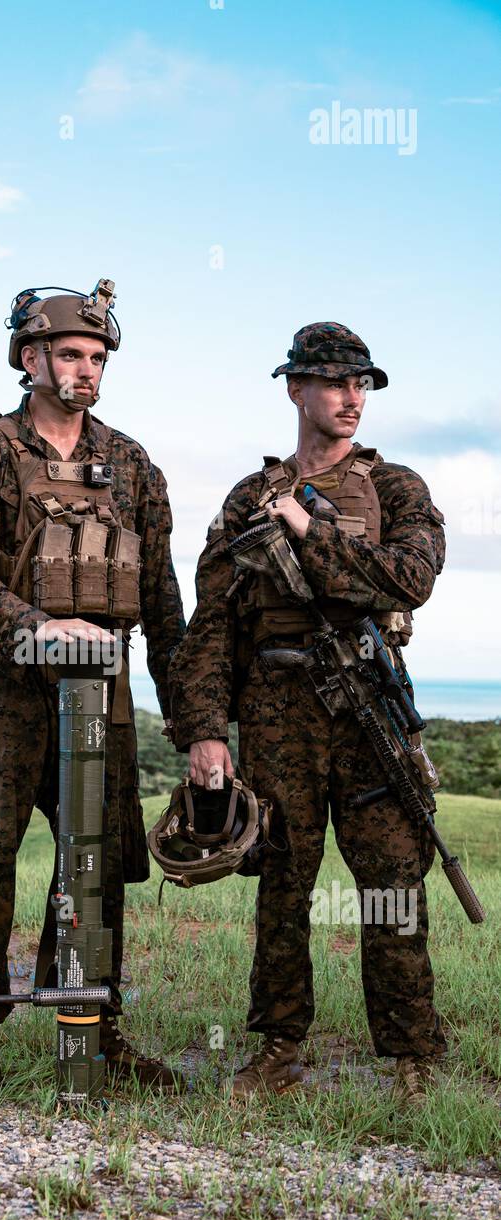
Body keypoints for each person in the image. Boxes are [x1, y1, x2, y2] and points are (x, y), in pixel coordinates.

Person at [169, 322, 448, 1105]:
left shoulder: (397, 489)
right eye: (335, 383)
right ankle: (277, 1050)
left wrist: (309, 526)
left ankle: (411, 1053)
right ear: (296, 389)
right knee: (283, 883)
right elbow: (213, 624)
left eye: (362, 385)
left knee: (393, 881)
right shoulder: (246, 497)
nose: (352, 398)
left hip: (366, 706)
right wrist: (203, 730)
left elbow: (408, 578)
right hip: (277, 708)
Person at [0, 280, 186, 1093]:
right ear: (31, 357)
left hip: (101, 696)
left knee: (100, 863)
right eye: (71, 354)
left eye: (97, 356)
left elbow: (164, 601)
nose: (86, 369)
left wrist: (193, 717)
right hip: (5, 692)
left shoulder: (134, 464)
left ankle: (92, 1030)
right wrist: (32, 627)